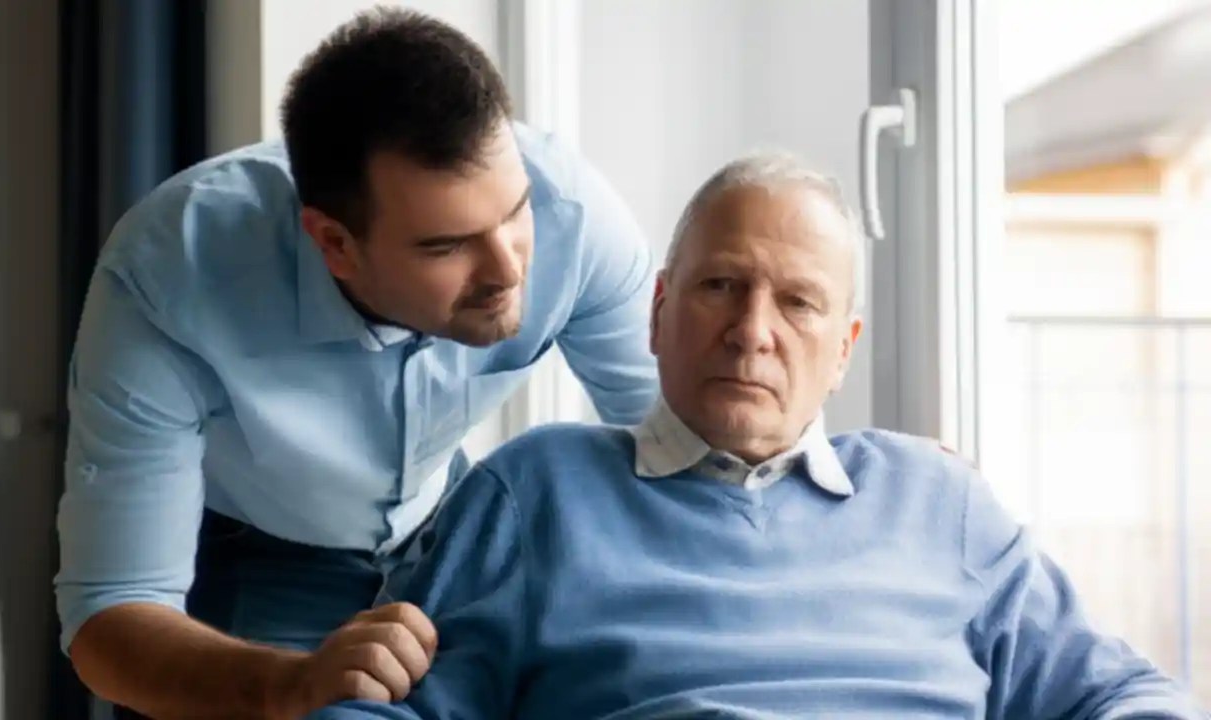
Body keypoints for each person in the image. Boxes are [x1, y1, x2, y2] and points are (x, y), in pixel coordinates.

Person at [322, 152, 1206, 719]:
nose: (753, 331)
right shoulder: (535, 492)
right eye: (720, 287)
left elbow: (1120, 693)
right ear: (659, 313)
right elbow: (382, 707)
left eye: (798, 302)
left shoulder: (941, 504)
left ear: (843, 350)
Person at [54, 8, 658, 720]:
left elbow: (674, 449)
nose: (509, 269)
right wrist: (292, 685)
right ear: (335, 244)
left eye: (515, 213)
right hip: (253, 559)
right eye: (446, 246)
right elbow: (109, 618)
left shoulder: (573, 213)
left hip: (451, 535)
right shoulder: (167, 276)